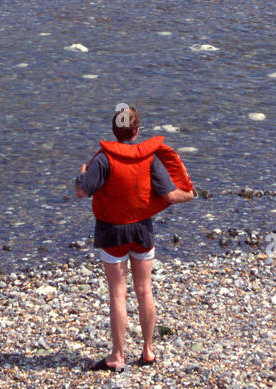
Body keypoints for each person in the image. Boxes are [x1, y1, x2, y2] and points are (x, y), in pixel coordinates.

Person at [75, 103, 194, 370]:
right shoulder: (149, 158)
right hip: (142, 229)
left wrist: (81, 174)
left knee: (118, 294)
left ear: (114, 131)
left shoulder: (103, 160)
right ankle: (148, 351)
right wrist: (190, 192)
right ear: (137, 131)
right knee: (144, 290)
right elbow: (171, 195)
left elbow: (82, 192)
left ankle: (117, 356)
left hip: (112, 231)